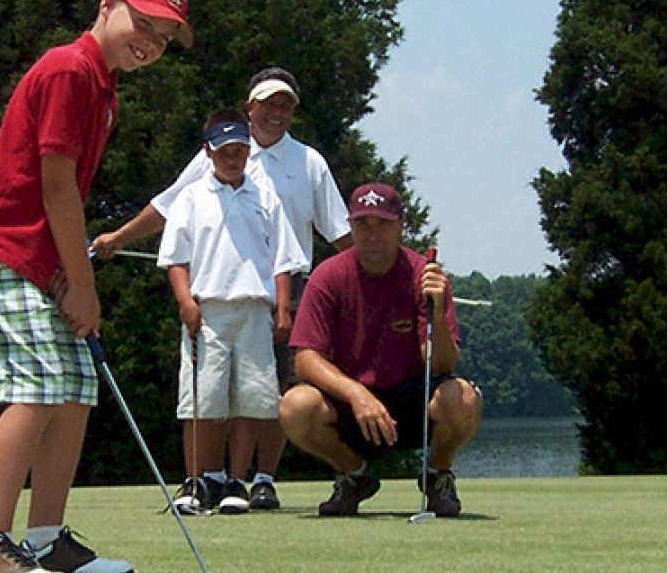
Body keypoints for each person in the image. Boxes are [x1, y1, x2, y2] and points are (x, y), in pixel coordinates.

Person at [0, 0, 193, 573]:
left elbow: (61, 195)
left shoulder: (102, 88)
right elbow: (55, 186)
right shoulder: (68, 69)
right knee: (39, 383)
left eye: (164, 38)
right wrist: (83, 286)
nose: (152, 43)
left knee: (75, 388)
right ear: (108, 5)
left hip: (33, 255)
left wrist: (65, 272)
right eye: (145, 23)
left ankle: (46, 540)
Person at [91, 67, 351, 510]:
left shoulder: (309, 162)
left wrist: (379, 274)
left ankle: (262, 479)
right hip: (217, 294)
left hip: (288, 289)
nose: (276, 112)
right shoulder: (213, 157)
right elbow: (168, 206)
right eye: (268, 103)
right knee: (213, 392)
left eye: (286, 104)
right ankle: (210, 480)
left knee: (275, 390)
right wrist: (118, 238)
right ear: (250, 107)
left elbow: (340, 233)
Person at [278, 182, 483, 517]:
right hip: (351, 403)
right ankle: (355, 474)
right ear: (351, 226)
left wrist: (438, 314)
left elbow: (443, 364)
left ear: (401, 225)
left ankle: (437, 475)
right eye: (362, 225)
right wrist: (356, 394)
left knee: (464, 398)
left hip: (412, 400)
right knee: (295, 406)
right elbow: (305, 358)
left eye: (383, 224)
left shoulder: (425, 275)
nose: (372, 235)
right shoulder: (327, 276)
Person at [157, 108, 308, 514]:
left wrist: (282, 308)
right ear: (209, 152)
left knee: (252, 399)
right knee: (202, 400)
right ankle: (198, 480)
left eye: (240, 149)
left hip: (255, 309)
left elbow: (281, 259)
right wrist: (185, 302)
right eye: (225, 150)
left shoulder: (266, 197)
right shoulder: (190, 198)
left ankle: (235, 483)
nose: (233, 157)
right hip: (207, 311)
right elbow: (175, 259)